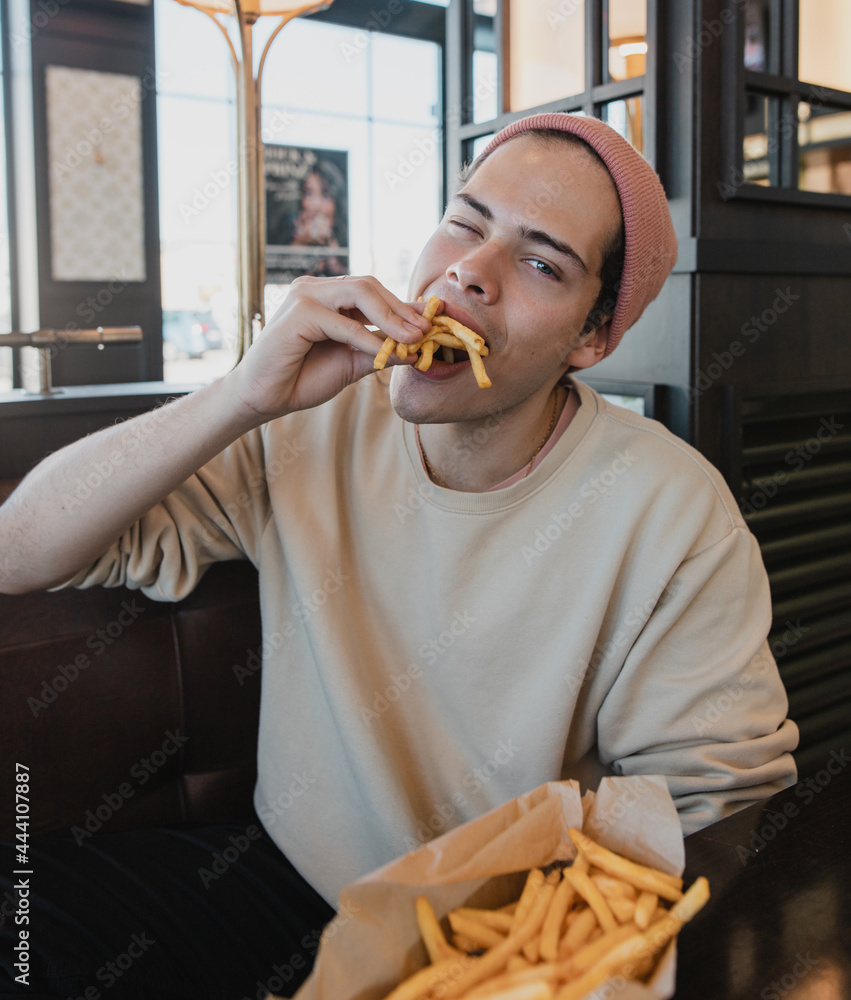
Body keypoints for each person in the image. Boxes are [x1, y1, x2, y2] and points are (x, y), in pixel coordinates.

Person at [0, 113, 798, 998]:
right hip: (284, 877)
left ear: (591, 340)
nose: (470, 272)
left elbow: (713, 804)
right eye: (466, 221)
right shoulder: (313, 421)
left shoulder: (671, 510)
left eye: (541, 263)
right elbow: (20, 551)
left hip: (499, 930)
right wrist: (240, 394)